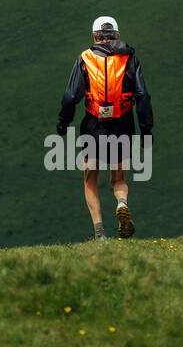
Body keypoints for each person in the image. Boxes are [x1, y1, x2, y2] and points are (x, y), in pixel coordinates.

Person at [56, 16, 153, 240]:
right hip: (123, 124)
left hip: (94, 125)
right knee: (119, 179)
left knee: (90, 180)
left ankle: (100, 233)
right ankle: (121, 203)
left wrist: (63, 123)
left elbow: (71, 96)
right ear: (117, 35)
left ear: (95, 36)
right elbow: (143, 96)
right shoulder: (129, 57)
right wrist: (146, 130)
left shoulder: (85, 58)